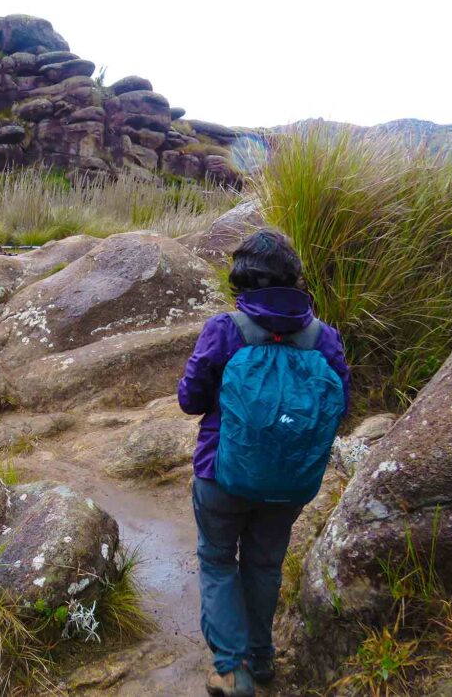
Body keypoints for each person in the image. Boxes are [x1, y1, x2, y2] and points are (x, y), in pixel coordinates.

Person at [178, 229, 351, 697]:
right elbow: (340, 405)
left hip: (221, 474)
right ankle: (261, 656)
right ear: (294, 278)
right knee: (264, 564)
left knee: (218, 560)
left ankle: (231, 669)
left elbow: (190, 400)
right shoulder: (323, 338)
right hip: (289, 480)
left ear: (241, 278)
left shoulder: (225, 329)